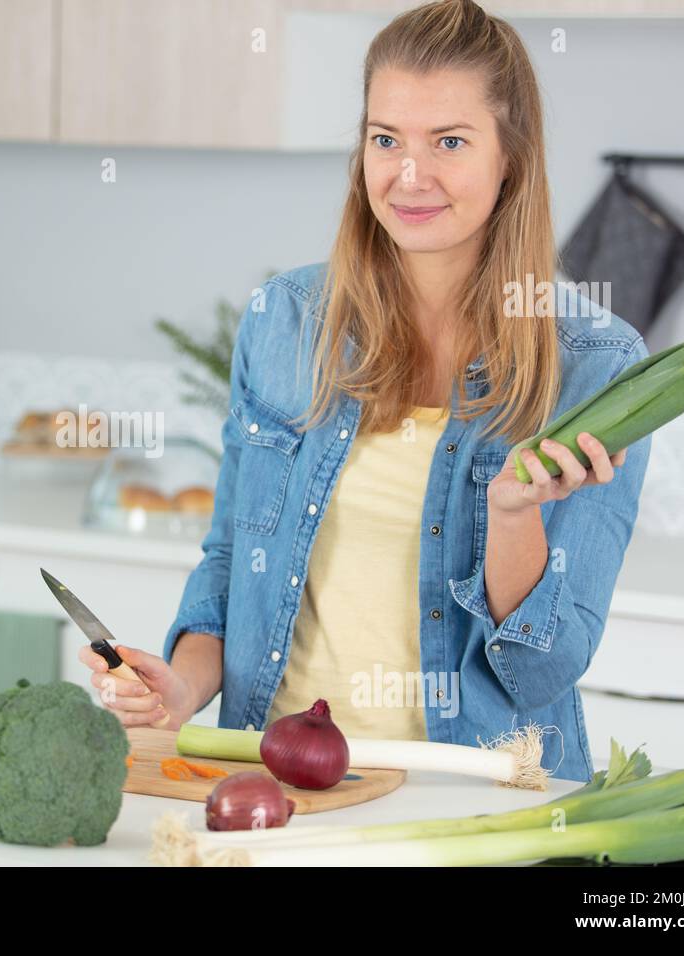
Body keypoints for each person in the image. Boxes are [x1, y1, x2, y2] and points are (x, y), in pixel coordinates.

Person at [78, 0, 650, 782]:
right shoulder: (286, 319)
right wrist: (185, 685)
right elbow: (230, 559)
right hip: (279, 780)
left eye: (449, 141)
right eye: (386, 140)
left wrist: (513, 515)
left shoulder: (599, 367)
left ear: (510, 156)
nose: (409, 177)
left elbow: (537, 673)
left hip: (470, 797)